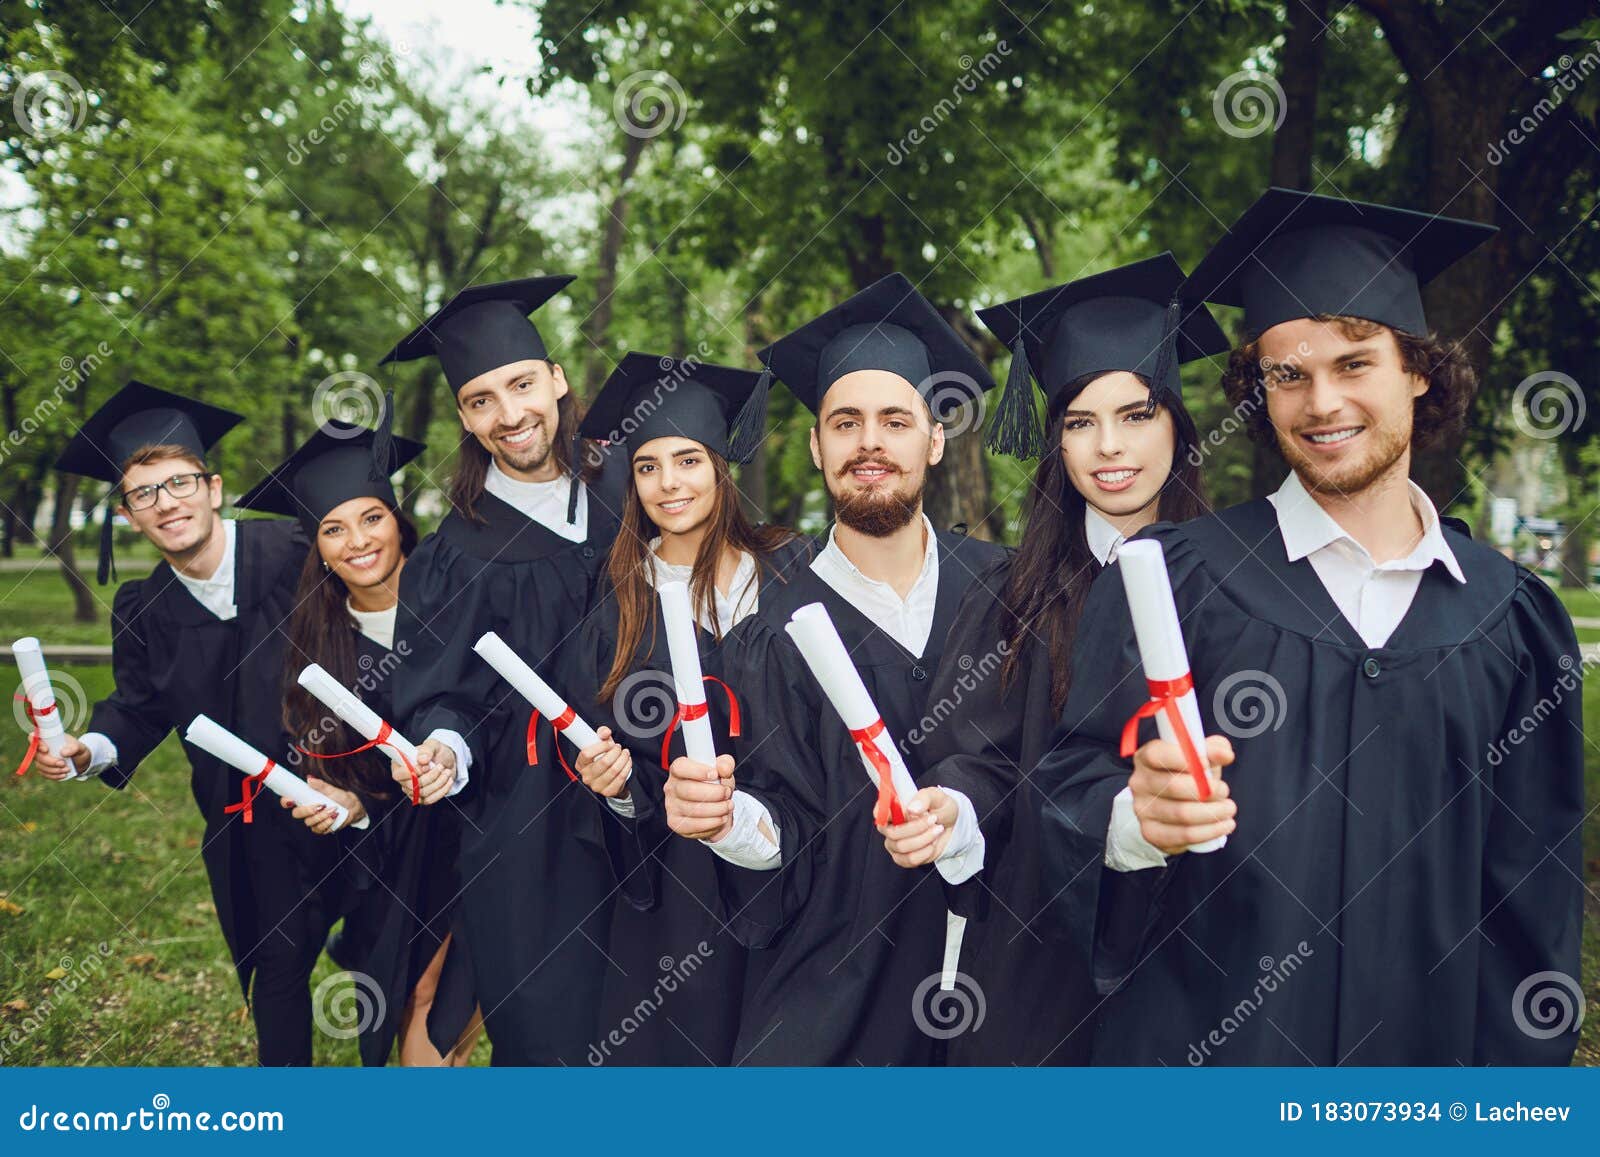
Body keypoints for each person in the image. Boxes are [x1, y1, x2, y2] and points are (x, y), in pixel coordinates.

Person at [1037, 188, 1585, 1065]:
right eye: (1287, 375)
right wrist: (1135, 817)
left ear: (1418, 369)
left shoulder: (1510, 619)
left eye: (1354, 362)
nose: (1321, 401)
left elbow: (1532, 905)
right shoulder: (1174, 579)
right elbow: (1065, 794)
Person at [662, 273, 1005, 1065]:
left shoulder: (1009, 592)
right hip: (835, 1006)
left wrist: (964, 814)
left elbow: (1046, 777)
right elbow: (781, 826)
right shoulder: (769, 632)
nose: (869, 443)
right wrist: (726, 818)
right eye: (845, 423)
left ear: (935, 439)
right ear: (817, 446)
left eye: (895, 420)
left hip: (995, 991)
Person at [905, 253, 1227, 1064]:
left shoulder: (1238, 585)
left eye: (1136, 414)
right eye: (1080, 421)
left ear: (1178, 425)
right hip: (1037, 954)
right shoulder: (1010, 596)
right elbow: (977, 760)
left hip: (1201, 954)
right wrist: (953, 808)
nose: (1108, 446)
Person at [35, 380, 337, 1066]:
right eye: (145, 494)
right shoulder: (145, 608)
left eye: (179, 483)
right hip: (250, 821)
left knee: (391, 954)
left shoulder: (298, 551)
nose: (166, 502)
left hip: (353, 793)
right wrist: (87, 749)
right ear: (127, 515)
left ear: (213, 488)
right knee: (279, 970)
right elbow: (138, 706)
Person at [382, 276, 627, 1065]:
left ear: (556, 380)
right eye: (481, 399)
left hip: (654, 793)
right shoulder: (454, 553)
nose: (509, 413)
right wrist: (443, 749)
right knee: (550, 1029)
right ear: (464, 417)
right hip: (530, 819)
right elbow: (441, 693)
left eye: (522, 384)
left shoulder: (631, 487)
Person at [562, 352, 813, 1065]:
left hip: (800, 865)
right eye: (648, 466)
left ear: (721, 467)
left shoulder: (794, 570)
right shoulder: (619, 604)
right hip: (681, 890)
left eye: (688, 460)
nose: (668, 483)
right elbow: (619, 770)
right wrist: (614, 787)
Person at [234, 415, 484, 1066]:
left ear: (397, 520)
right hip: (397, 849)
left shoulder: (462, 595)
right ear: (317, 547)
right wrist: (350, 802)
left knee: (450, 993)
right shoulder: (316, 640)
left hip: (490, 820)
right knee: (417, 995)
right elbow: (335, 765)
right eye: (333, 528)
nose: (358, 541)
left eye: (371, 517)